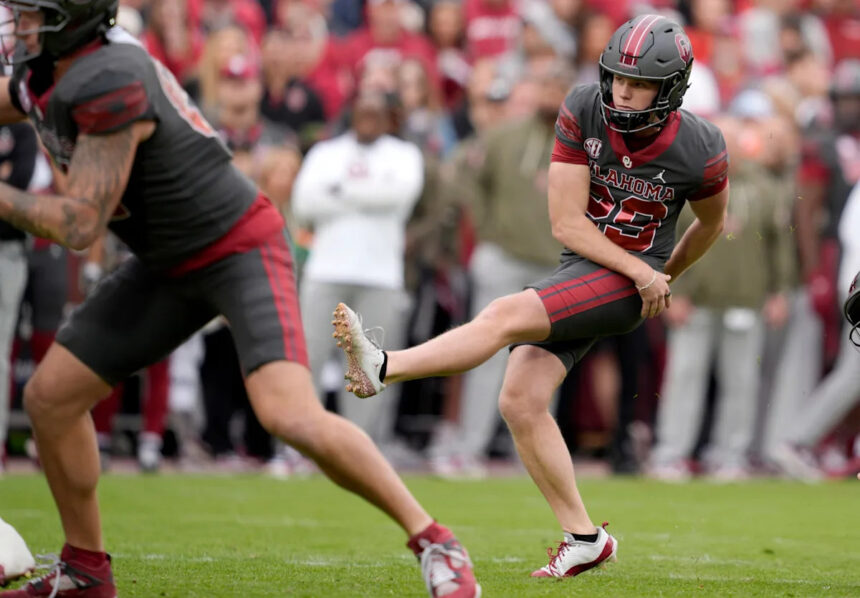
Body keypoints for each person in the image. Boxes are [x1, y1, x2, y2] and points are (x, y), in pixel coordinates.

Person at [0, 3, 478, 598]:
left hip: (235, 248)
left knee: (290, 414)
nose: (16, 25)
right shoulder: (50, 67)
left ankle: (436, 539)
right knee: (49, 398)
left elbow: (78, 223)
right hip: (168, 260)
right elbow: (19, 97)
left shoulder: (110, 77)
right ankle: (85, 570)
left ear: (70, 17)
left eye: (30, 13)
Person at [335, 14, 729, 578]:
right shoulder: (584, 107)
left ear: (671, 90)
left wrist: (663, 275)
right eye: (618, 76)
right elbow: (566, 223)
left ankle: (385, 366)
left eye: (639, 83)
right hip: (588, 262)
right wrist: (641, 272)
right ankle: (585, 536)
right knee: (519, 400)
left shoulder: (702, 145)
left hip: (625, 280)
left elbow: (713, 225)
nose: (623, 90)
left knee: (501, 315)